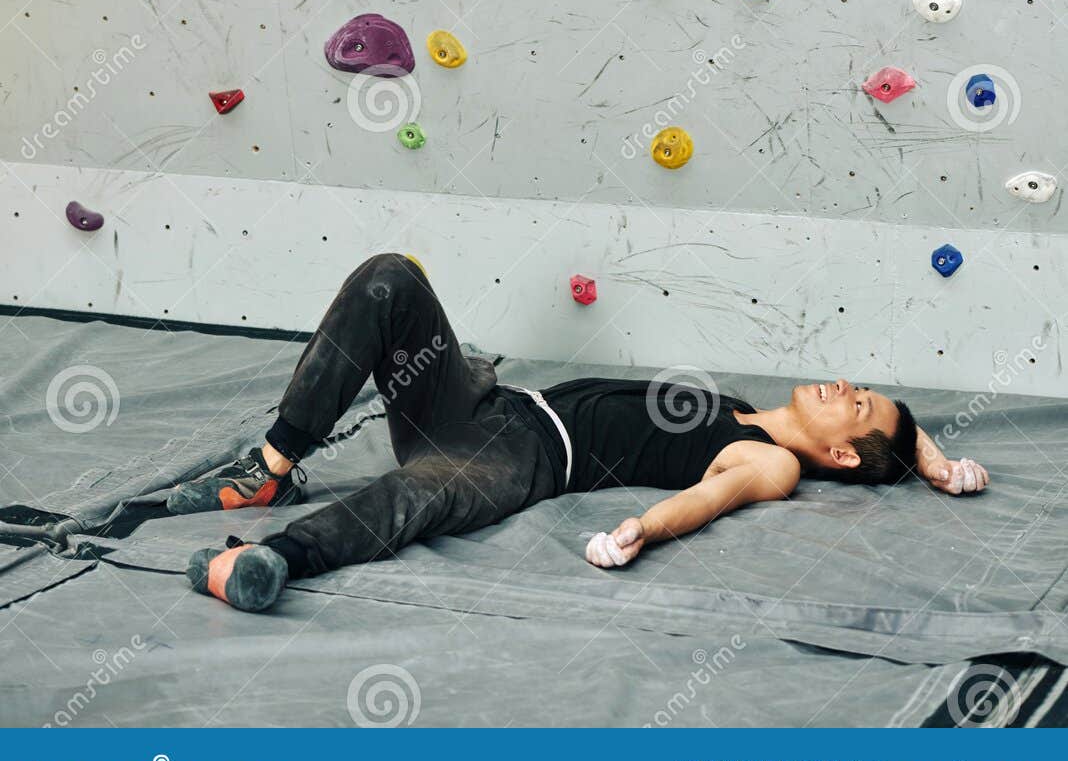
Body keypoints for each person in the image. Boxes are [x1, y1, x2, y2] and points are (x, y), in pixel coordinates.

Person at [168, 254, 989, 613]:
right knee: (392, 279)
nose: (847, 386)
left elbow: (712, 498)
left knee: (414, 498)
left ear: (842, 453)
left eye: (857, 403)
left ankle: (273, 560)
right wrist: (932, 458)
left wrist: (640, 531)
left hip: (518, 456)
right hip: (476, 403)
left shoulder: (770, 461)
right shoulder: (744, 407)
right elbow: (889, 441)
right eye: (860, 385)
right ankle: (272, 465)